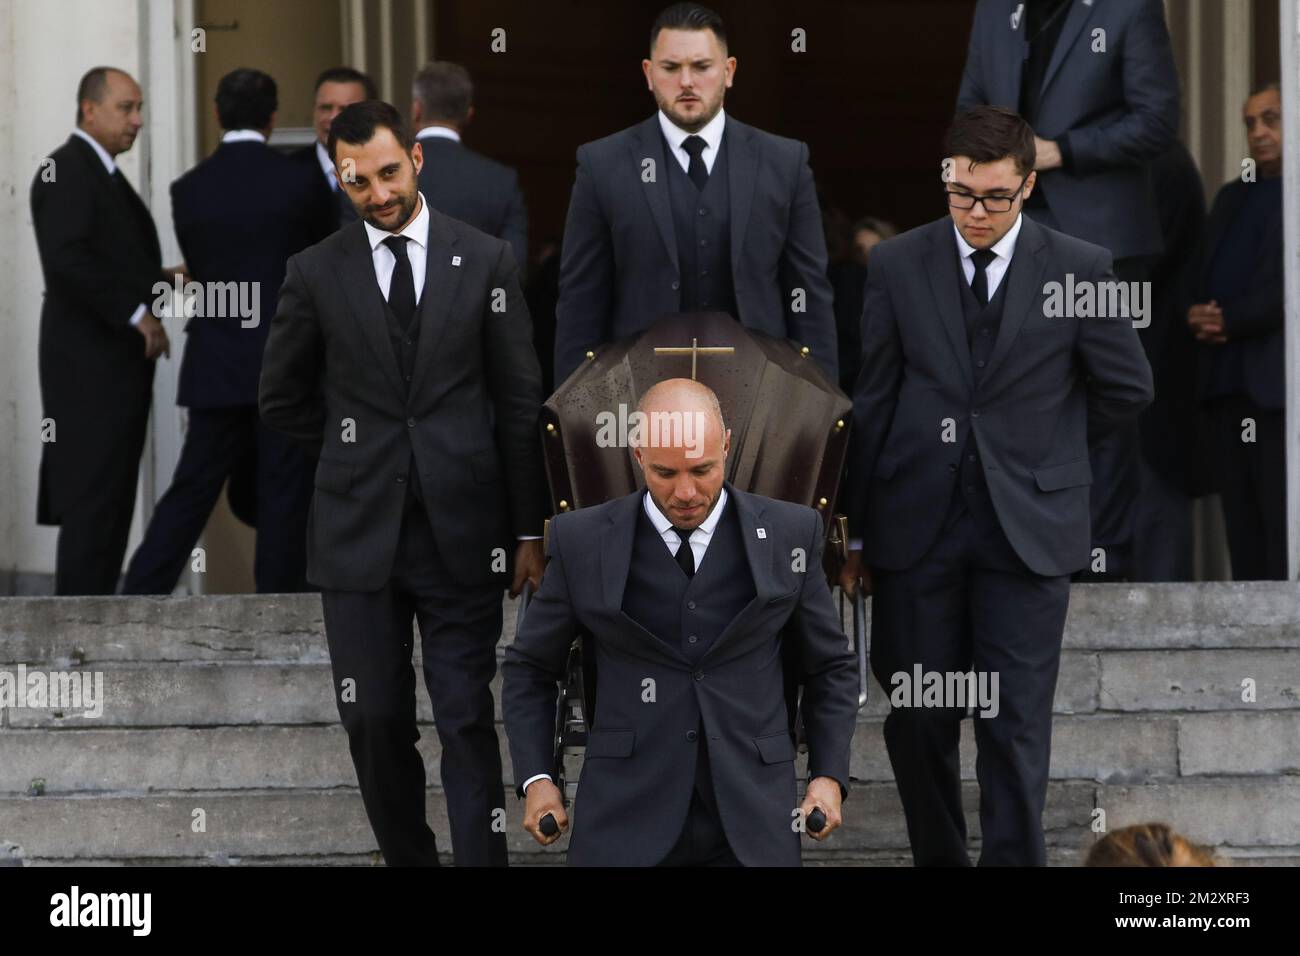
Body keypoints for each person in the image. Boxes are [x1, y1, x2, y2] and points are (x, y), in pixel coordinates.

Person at [840, 107, 1153, 866]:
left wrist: (1044, 449)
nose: (976, 212)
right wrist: (852, 530)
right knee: (919, 718)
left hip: (1028, 531)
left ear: (1028, 186)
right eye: (961, 194)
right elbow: (874, 399)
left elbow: (1129, 388)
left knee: (1013, 724)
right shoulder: (897, 264)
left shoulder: (1082, 266)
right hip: (917, 529)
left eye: (995, 197)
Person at [259, 100, 548, 866]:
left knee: (465, 716)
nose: (379, 194)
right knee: (372, 718)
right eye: (358, 182)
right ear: (340, 178)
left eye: (389, 172)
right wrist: (356, 452)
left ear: (417, 157)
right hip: (357, 539)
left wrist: (529, 529)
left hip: (465, 532)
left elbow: (521, 402)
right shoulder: (314, 272)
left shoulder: (485, 259)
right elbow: (280, 398)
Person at [503, 378, 858, 866]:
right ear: (638, 456)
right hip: (623, 814)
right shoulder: (581, 540)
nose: (686, 492)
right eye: (665, 472)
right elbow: (529, 667)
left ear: (727, 446)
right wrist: (537, 779)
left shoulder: (791, 532)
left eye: (702, 469)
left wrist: (828, 775)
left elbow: (831, 666)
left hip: (753, 817)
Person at [957, 0, 1179, 581]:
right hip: (1008, 235)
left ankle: (1101, 570)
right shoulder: (995, 11)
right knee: (1010, 392)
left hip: (1106, 241)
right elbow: (969, 114)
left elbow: (1157, 120)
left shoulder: (1128, 9)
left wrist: (1064, 150)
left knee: (1108, 397)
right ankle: (1028, 562)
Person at [552, 2, 837, 385]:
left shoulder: (785, 162)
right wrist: (577, 406)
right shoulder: (601, 164)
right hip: (639, 396)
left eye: (701, 66)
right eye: (671, 68)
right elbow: (580, 303)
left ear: (728, 71)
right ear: (649, 74)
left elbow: (809, 297)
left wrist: (820, 402)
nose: (686, 81)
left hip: (760, 392)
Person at [121, 69, 323, 595]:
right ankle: (276, 608)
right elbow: (320, 266)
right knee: (283, 493)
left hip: (216, 362)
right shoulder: (303, 182)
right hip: (285, 363)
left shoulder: (188, 189)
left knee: (192, 488)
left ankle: (139, 593)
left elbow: (207, 271)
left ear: (216, 115)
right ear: (272, 117)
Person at [31, 66, 175, 595]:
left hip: (111, 375)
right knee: (92, 510)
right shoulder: (65, 169)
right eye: (126, 108)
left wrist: (164, 281)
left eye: (140, 109)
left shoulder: (100, 172)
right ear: (89, 110)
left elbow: (109, 262)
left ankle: (94, 625)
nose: (137, 120)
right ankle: (75, 633)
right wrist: (137, 313)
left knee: (110, 508)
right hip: (88, 377)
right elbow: (68, 260)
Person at [1187, 83, 1285, 580]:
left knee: (1282, 528)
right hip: (1227, 386)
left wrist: (1233, 319)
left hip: (1280, 393)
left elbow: (1288, 288)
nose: (1259, 132)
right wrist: (1195, 313)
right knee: (1242, 530)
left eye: (1271, 118)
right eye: (1250, 123)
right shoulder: (1233, 196)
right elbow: (1200, 272)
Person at [411, 61, 528, 271]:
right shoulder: (501, 180)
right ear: (468, 115)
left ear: (416, 110)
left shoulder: (386, 173)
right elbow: (513, 269)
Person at [290, 66, 375, 233]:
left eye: (345, 109)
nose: (333, 117)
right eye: (326, 108)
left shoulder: (383, 171)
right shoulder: (289, 171)